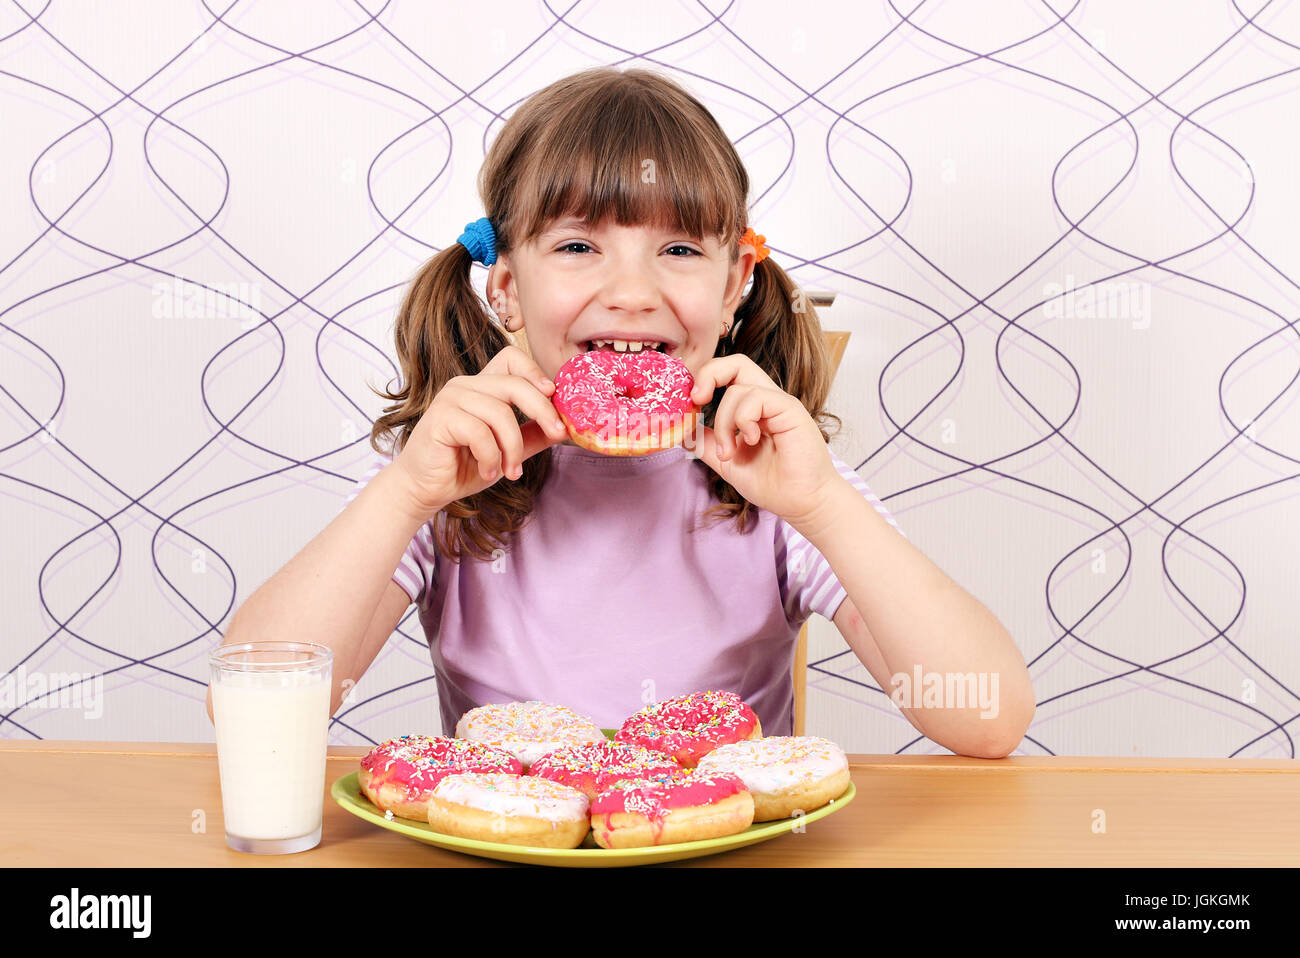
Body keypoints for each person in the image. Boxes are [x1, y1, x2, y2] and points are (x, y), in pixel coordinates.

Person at [209, 67, 1034, 757]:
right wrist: (403, 497)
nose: (633, 294)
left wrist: (825, 507)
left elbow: (989, 721)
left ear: (735, 282)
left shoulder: (778, 485)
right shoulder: (453, 478)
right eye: (577, 247)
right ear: (506, 290)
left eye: (678, 250)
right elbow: (252, 712)